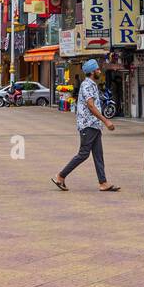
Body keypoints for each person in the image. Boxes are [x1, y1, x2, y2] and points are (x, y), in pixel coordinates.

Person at [52, 60, 119, 192]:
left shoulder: (92, 84)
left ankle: (103, 182)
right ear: (92, 72)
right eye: (98, 69)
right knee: (83, 154)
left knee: (98, 154)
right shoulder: (87, 85)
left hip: (94, 125)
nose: (100, 71)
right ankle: (60, 176)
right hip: (88, 125)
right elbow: (90, 105)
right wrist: (106, 121)